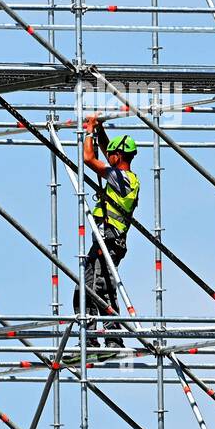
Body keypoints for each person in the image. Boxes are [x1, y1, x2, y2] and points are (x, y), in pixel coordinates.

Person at [75, 114, 141, 350]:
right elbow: (105, 151)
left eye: (112, 154)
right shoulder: (122, 176)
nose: (109, 157)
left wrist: (90, 131)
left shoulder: (121, 178)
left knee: (99, 286)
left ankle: (110, 337)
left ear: (119, 156)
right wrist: (100, 130)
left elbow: (89, 158)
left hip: (110, 240)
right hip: (106, 240)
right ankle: (95, 337)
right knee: (89, 286)